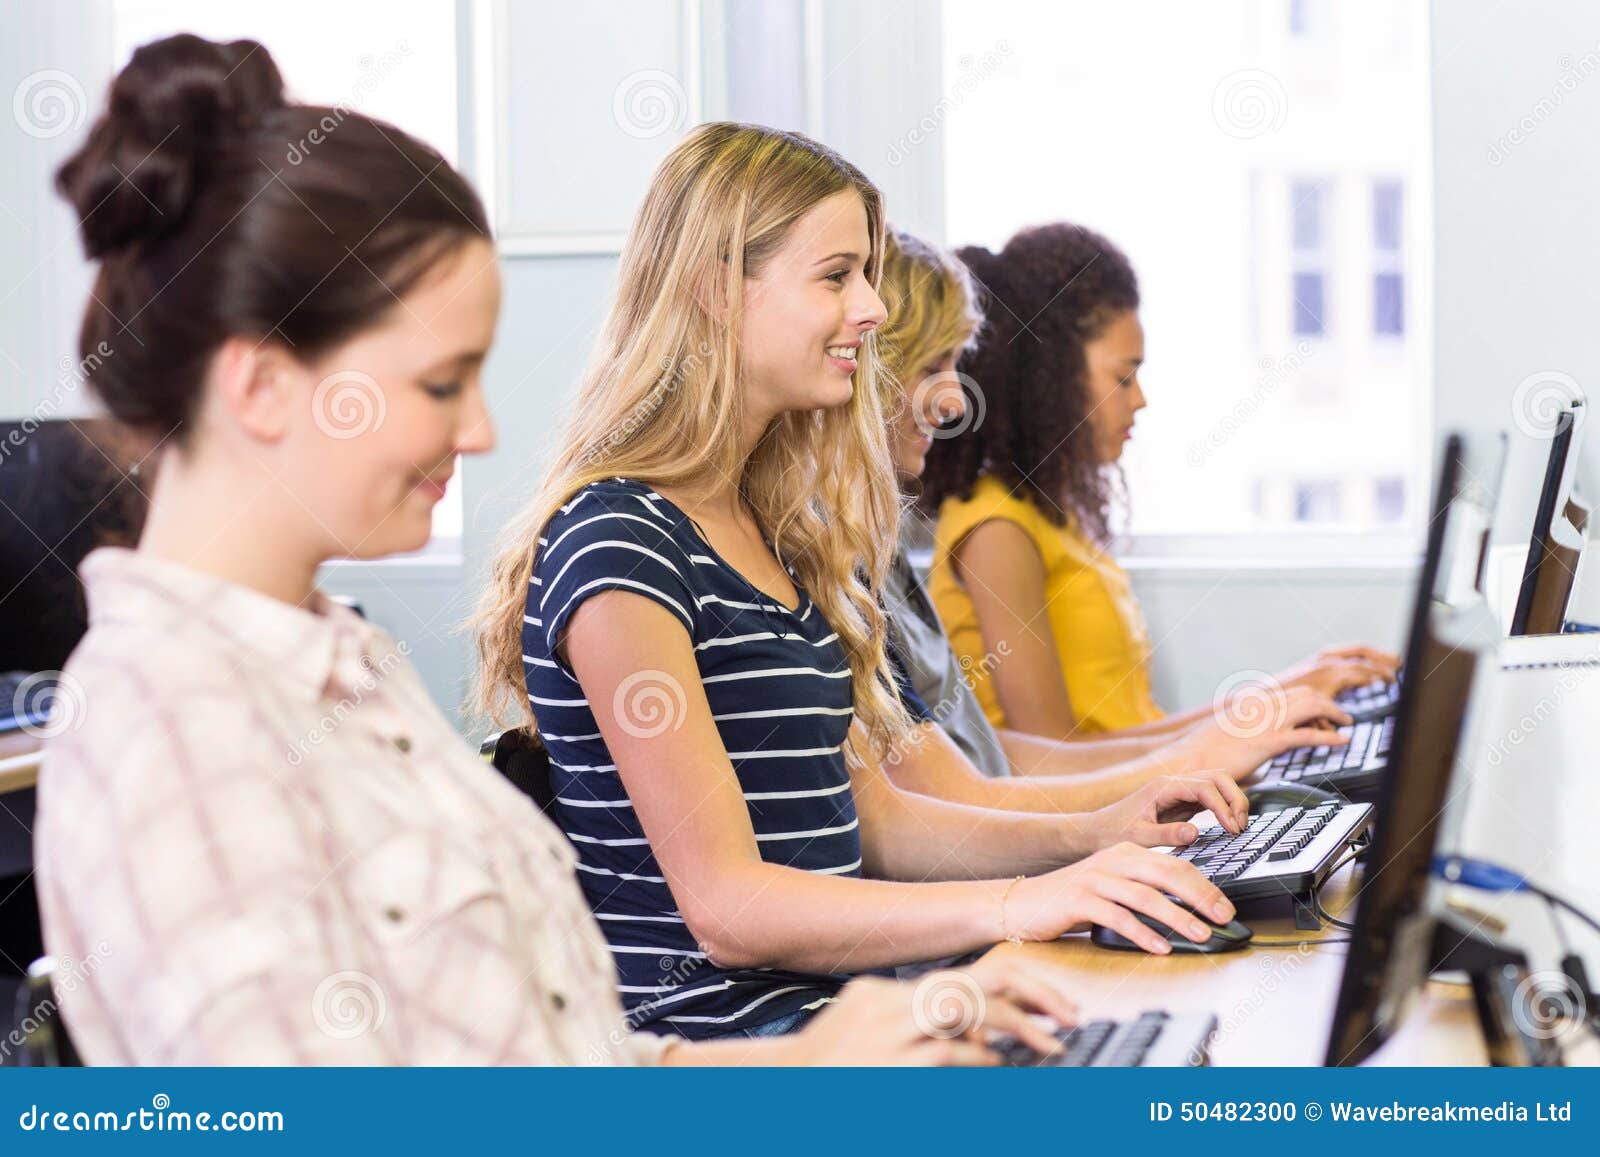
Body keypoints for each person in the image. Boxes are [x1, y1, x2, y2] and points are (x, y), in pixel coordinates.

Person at [32, 35, 1076, 1067]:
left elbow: (571, 1058)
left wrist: (831, 1050)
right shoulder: (175, 731)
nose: (480, 430)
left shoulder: (348, 669)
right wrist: (808, 1068)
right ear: (260, 385)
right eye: (440, 384)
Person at [474, 123, 1246, 1043]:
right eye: (837, 276)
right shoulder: (619, 543)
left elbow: (874, 823)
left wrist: (1099, 833)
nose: (873, 308)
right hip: (740, 1052)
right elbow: (726, 906)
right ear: (716, 290)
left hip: (846, 1023)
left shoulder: (775, 531)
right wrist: (1021, 902)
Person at [869, 227, 1350, 812]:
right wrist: (1230, 733)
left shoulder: (1053, 518)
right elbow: (1040, 758)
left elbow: (1002, 756)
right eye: (1123, 376)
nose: (1139, 398)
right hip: (1085, 813)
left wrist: (1248, 722)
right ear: (1053, 378)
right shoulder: (998, 528)